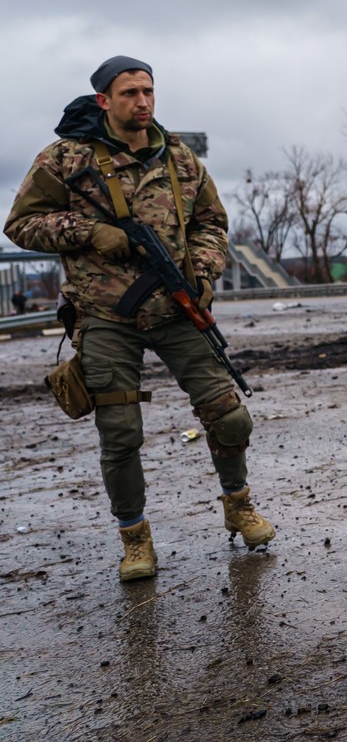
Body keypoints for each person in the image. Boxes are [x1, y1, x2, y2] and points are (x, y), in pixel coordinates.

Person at [4, 55, 274, 582]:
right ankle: (135, 538)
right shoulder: (66, 158)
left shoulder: (180, 159)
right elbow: (21, 224)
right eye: (129, 93)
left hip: (175, 308)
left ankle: (238, 505)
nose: (143, 101)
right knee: (121, 433)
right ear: (104, 100)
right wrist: (90, 232)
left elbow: (212, 223)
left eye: (148, 91)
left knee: (230, 414)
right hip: (104, 314)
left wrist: (202, 269)